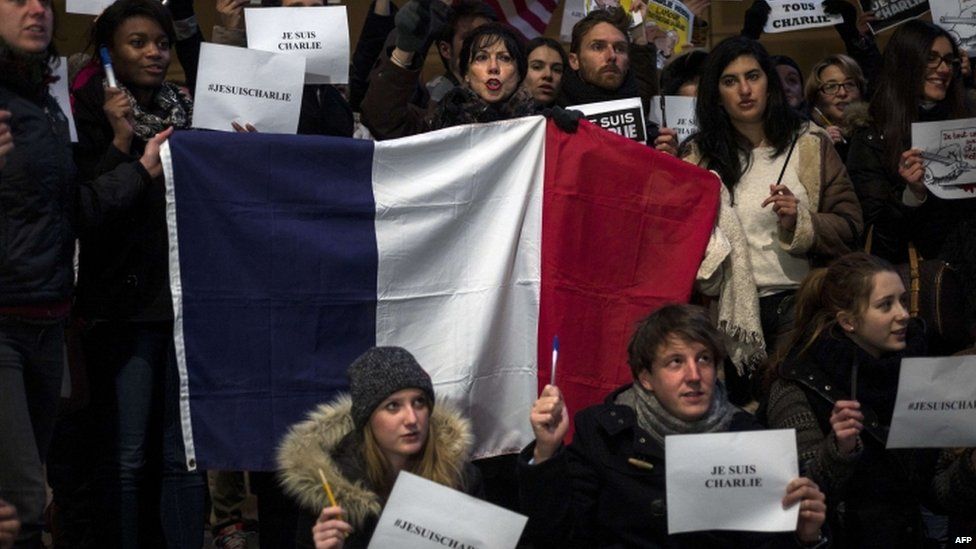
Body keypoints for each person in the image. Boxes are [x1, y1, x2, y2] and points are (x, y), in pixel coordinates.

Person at [0, 0, 169, 545]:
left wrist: (137, 168)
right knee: (25, 502)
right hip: (2, 321)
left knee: (31, 498)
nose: (37, 10)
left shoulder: (45, 103)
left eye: (46, 1)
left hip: (47, 318)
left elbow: (71, 210)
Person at [517, 304, 827, 547]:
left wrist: (805, 537)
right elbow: (557, 537)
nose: (694, 375)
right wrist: (546, 451)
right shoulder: (603, 433)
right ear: (646, 378)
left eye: (704, 359)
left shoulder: (752, 441)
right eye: (675, 362)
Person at [66, 2, 204, 548]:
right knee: (126, 456)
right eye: (138, 43)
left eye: (161, 44)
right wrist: (121, 142)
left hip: (180, 306)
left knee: (183, 455)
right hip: (122, 309)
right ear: (110, 53)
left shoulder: (188, 112)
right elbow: (85, 211)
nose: (154, 54)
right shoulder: (83, 114)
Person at [680, 37, 862, 387]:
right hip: (726, 315)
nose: (745, 90)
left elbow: (850, 224)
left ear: (770, 83)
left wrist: (801, 221)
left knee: (788, 402)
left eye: (753, 76)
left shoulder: (809, 140)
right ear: (715, 92)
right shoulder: (697, 156)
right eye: (730, 81)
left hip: (801, 303)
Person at [763, 252, 976, 547]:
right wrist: (840, 449)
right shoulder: (797, 385)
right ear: (848, 321)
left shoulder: (917, 370)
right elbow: (802, 505)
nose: (903, 314)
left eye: (902, 300)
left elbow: (936, 493)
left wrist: (972, 465)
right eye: (885, 305)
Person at [277, 346, 482, 549]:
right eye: (393, 406)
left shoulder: (461, 477)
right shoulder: (327, 489)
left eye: (419, 402)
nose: (411, 419)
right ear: (368, 419)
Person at [847, 20, 976, 266]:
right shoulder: (872, 136)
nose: (944, 69)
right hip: (926, 283)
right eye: (931, 58)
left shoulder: (968, 120)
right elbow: (878, 242)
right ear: (905, 63)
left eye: (949, 60)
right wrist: (911, 196)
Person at [361, 19, 537, 138]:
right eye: (481, 57)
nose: (493, 67)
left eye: (504, 58)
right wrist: (404, 49)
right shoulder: (438, 124)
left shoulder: (538, 128)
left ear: (520, 73)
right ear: (466, 74)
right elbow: (382, 118)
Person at [561, 8, 678, 154]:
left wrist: (668, 161)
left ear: (628, 62)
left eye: (620, 48)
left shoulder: (652, 135)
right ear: (574, 60)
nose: (611, 56)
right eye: (598, 47)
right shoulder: (550, 123)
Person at [804, 54, 866, 158]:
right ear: (816, 96)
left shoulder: (875, 131)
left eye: (849, 84)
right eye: (831, 86)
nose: (842, 93)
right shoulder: (806, 137)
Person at [523, 37, 567, 107]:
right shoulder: (501, 114)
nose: (548, 75)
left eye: (557, 70)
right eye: (537, 67)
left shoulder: (572, 115)